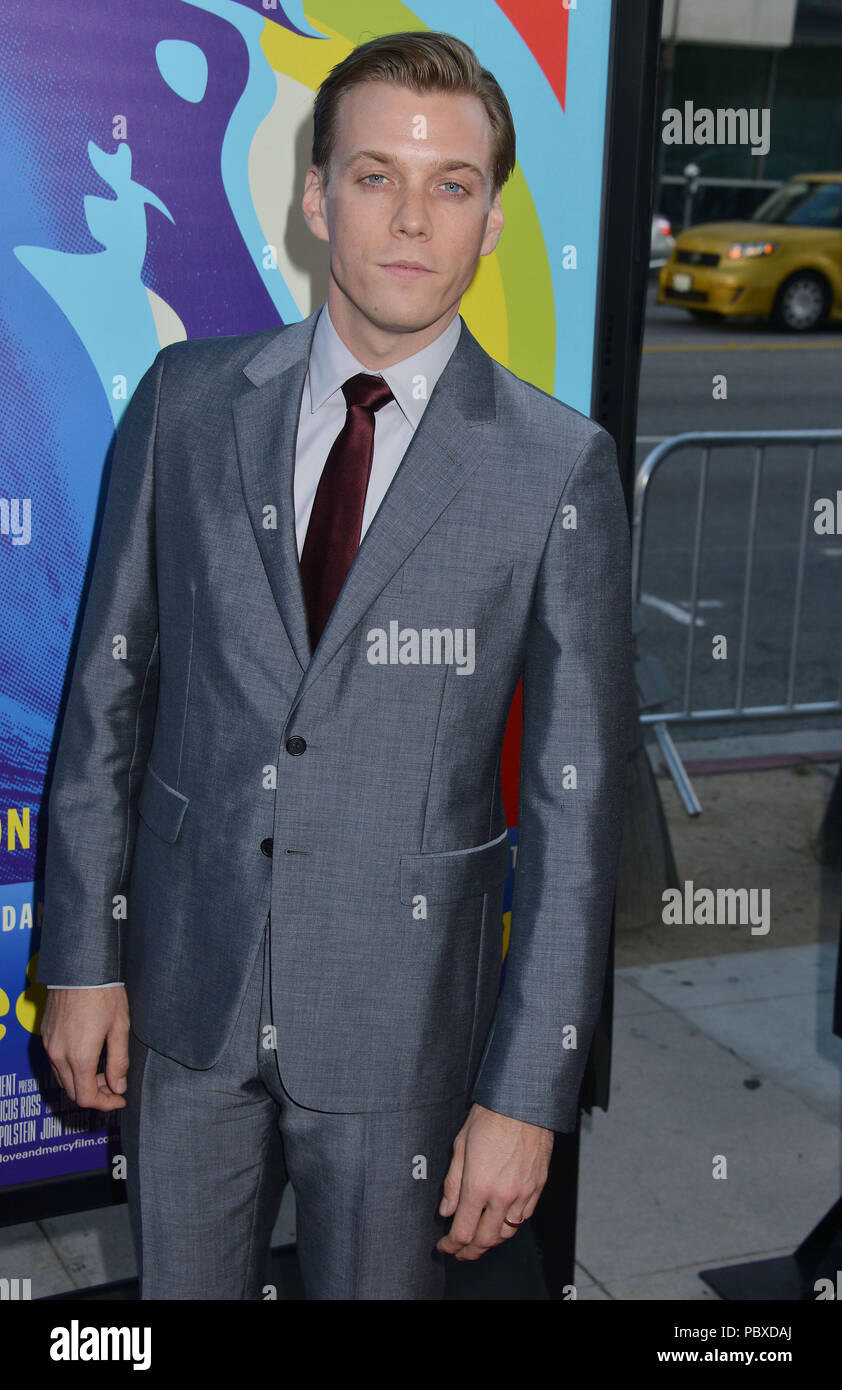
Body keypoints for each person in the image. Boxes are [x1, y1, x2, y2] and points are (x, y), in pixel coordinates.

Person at [36, 30, 633, 1300]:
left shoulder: (554, 467)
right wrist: (82, 958)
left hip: (401, 1032)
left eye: (451, 184)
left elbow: (575, 817)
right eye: (375, 176)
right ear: (315, 198)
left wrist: (526, 1095)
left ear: (491, 220)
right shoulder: (185, 403)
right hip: (186, 998)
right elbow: (105, 702)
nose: (412, 218)